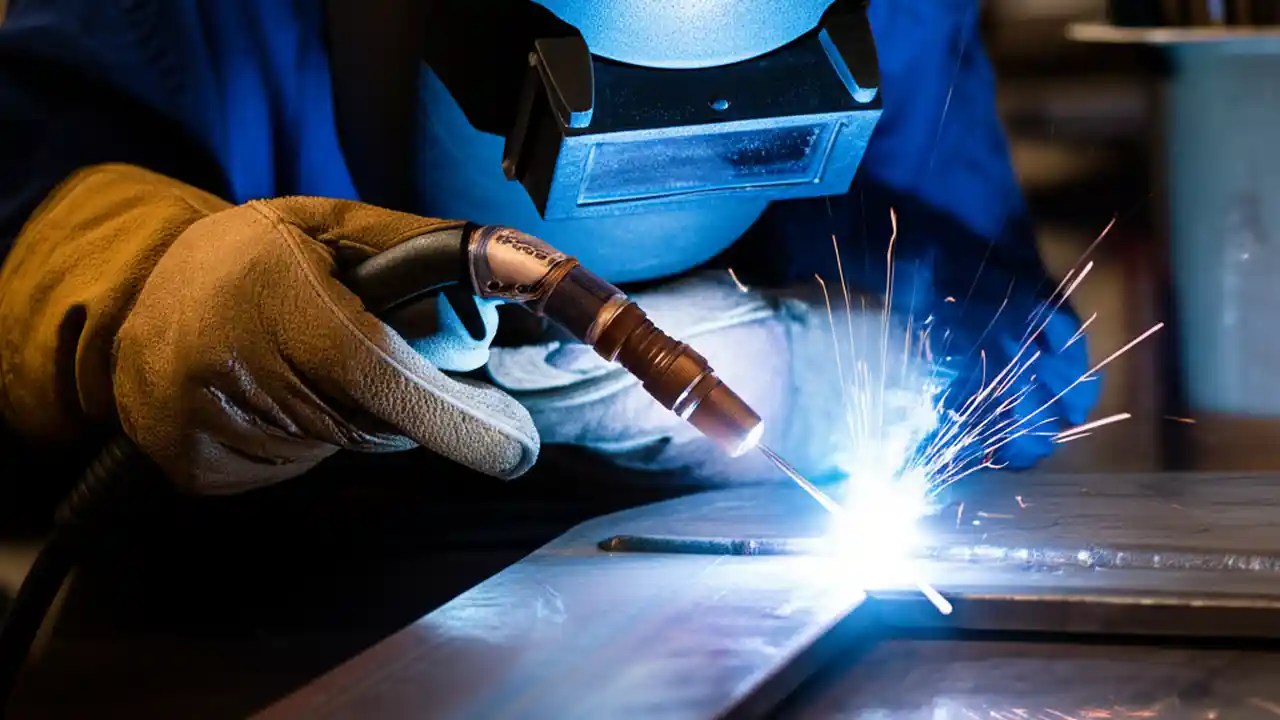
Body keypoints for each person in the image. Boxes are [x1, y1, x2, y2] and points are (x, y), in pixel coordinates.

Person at [0, 0, 1097, 503]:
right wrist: (147, 284)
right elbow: (25, 197)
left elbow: (1019, 349)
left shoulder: (895, 19)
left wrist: (828, 373)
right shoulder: (204, 24)